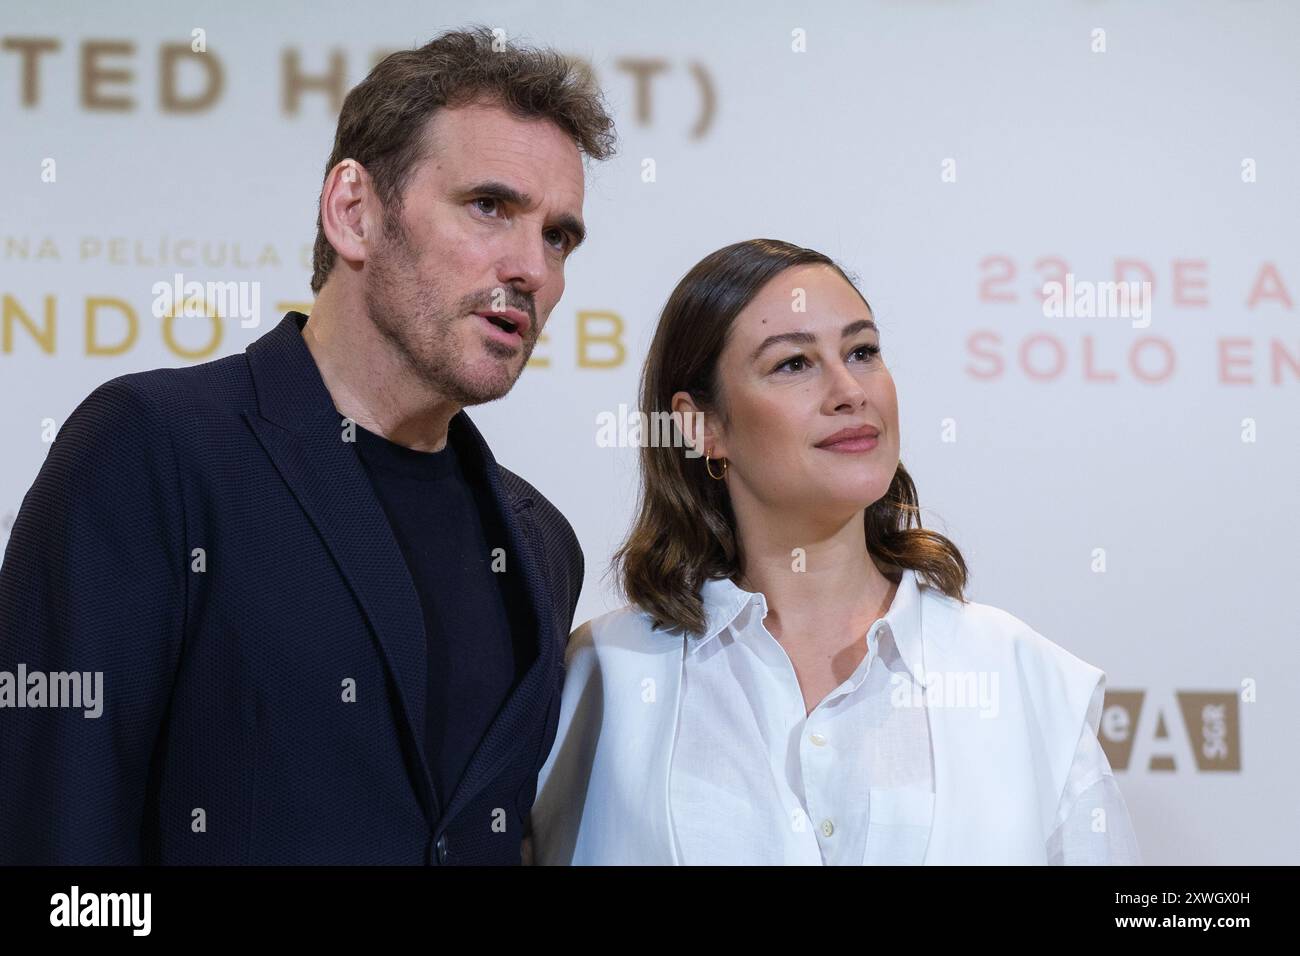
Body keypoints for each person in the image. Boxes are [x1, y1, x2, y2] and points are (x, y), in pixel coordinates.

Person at [0, 26, 615, 865]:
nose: (532, 268)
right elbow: (54, 838)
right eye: (489, 206)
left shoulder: (542, 542)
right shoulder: (153, 448)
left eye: (558, 236)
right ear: (353, 211)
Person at [529, 238, 1141, 865]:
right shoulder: (601, 676)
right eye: (794, 363)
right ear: (702, 426)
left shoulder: (1021, 676)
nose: (851, 390)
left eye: (862, 352)